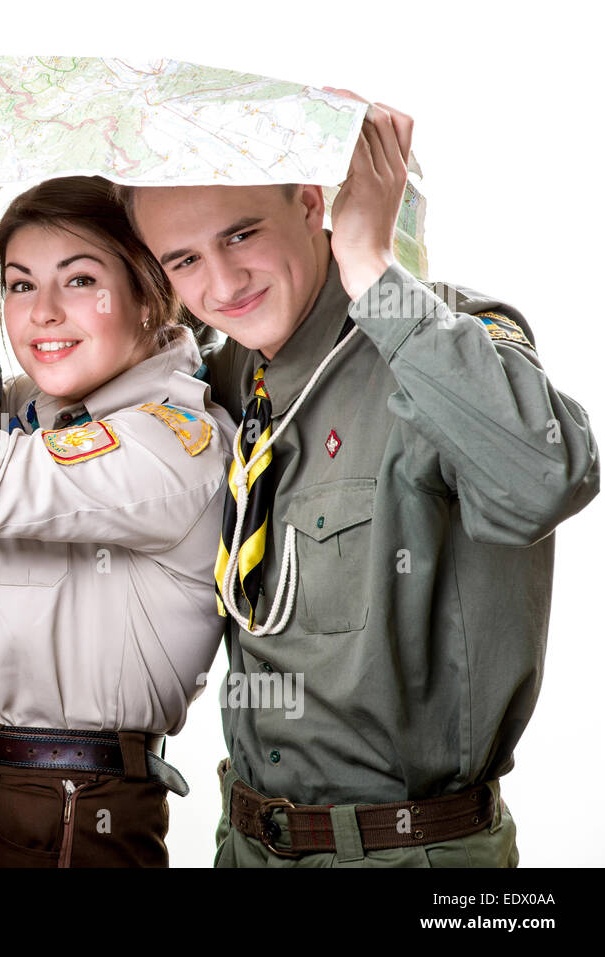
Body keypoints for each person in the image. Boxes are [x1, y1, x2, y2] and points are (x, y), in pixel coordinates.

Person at [120, 93, 600, 866]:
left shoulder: (445, 332)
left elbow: (547, 477)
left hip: (414, 853)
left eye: (242, 234)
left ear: (314, 203)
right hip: (244, 843)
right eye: (184, 261)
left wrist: (374, 266)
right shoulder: (226, 379)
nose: (222, 281)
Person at [0, 175, 235, 867]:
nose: (42, 312)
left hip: (61, 812)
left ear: (150, 292)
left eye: (79, 281)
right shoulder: (28, 411)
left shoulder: (169, 444)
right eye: (18, 283)